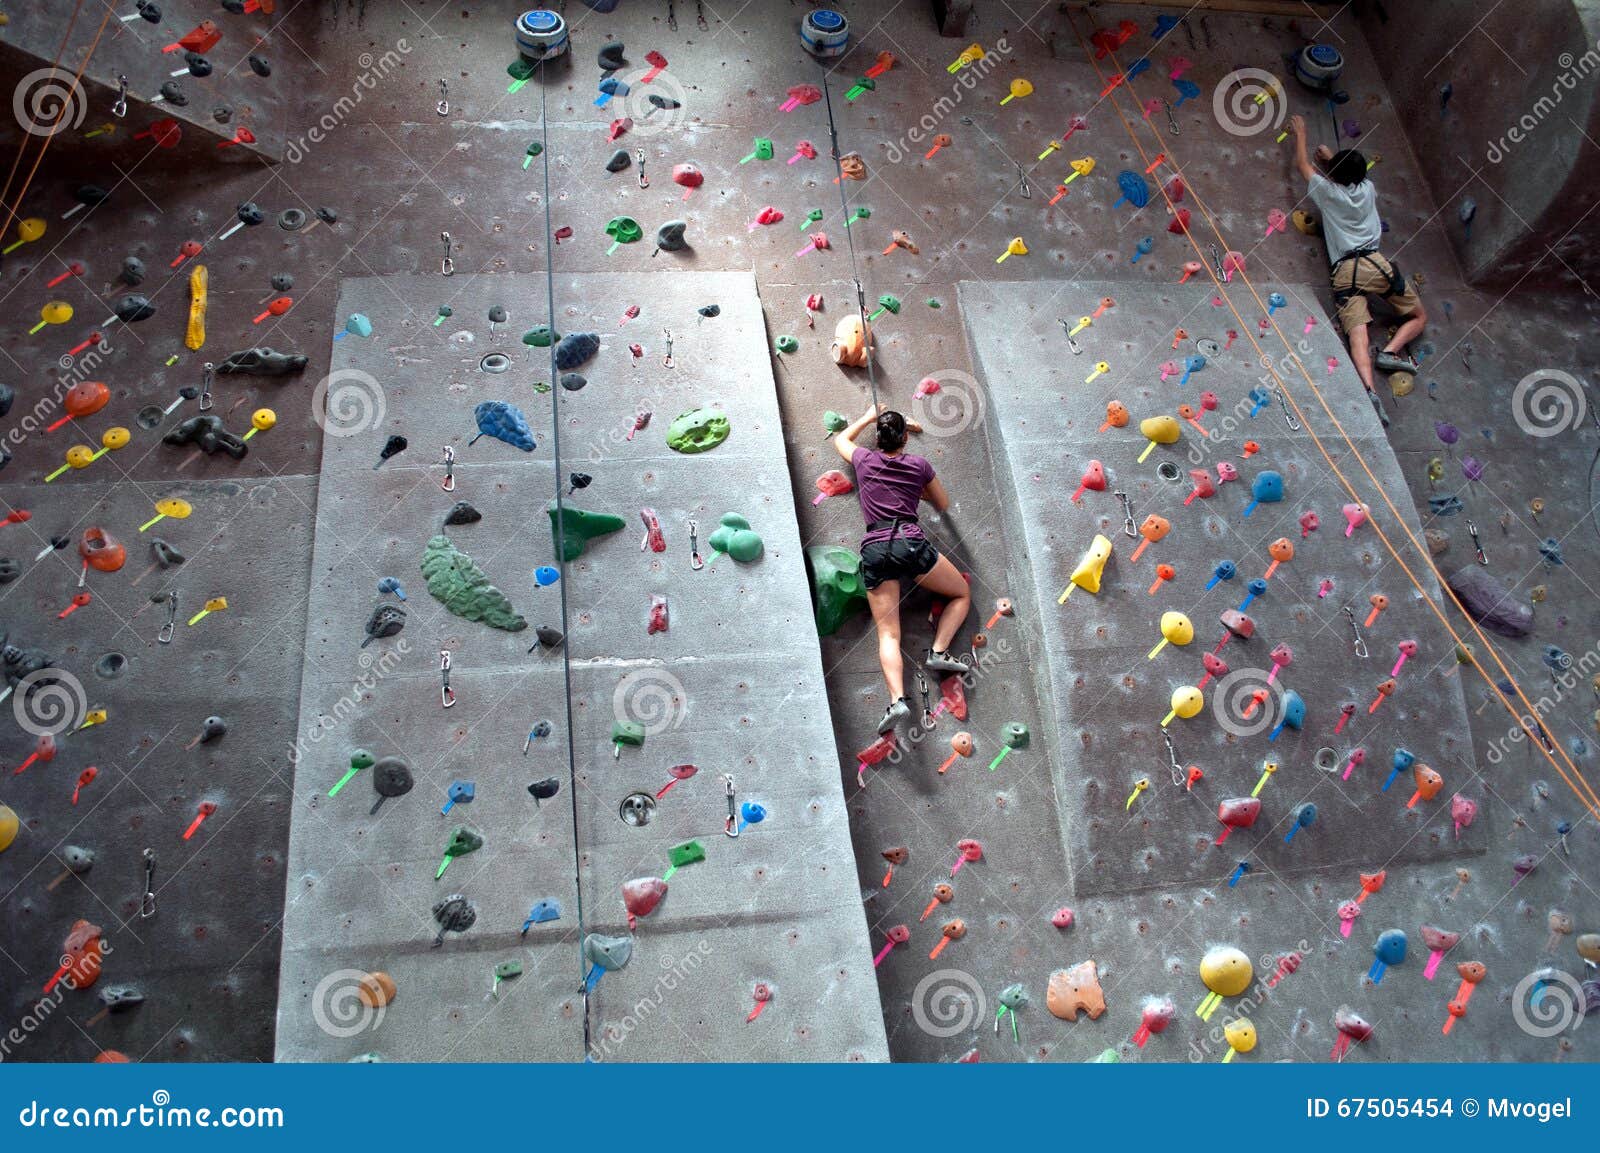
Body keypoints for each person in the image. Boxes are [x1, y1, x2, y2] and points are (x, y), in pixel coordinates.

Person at [833, 404, 971, 734]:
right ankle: (938, 651)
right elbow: (942, 504)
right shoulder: (919, 465)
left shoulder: (863, 459)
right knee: (961, 593)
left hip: (876, 547)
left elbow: (841, 439)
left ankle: (897, 700)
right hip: (909, 540)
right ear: (906, 438)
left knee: (889, 633)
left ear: (877, 438)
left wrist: (866, 415)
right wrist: (912, 488)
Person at [1288, 114, 1426, 405]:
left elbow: (1303, 166)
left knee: (1358, 335)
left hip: (1345, 271)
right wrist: (1331, 160)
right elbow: (1346, 178)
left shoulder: (1328, 194)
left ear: (1334, 176)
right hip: (1376, 265)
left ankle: (1370, 391)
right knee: (1418, 316)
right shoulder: (1368, 189)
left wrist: (1301, 133)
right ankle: (1390, 353)